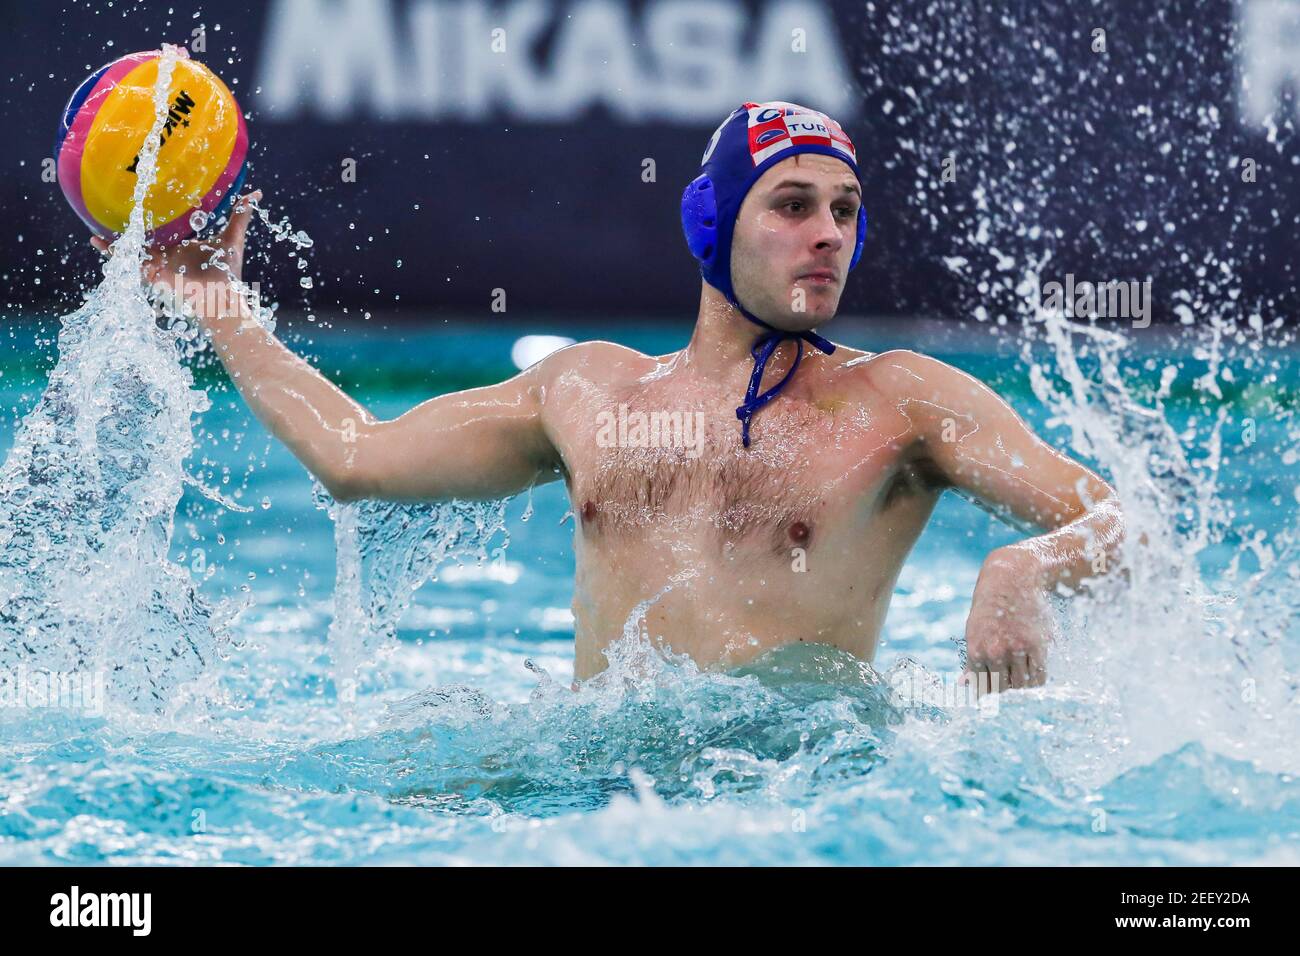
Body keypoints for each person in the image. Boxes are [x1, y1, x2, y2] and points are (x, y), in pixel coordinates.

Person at [95, 100, 1123, 691]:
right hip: (593, 792)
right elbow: (357, 455)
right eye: (794, 205)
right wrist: (225, 312)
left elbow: (1123, 519)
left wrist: (1022, 568)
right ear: (712, 224)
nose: (829, 235)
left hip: (800, 798)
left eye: (846, 211)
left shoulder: (900, 403)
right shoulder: (586, 389)